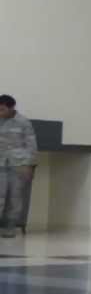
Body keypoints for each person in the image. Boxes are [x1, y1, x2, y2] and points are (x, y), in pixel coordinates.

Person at [0, 95, 37, 239]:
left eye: (2, 109)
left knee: (15, 198)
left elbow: (31, 146)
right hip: (1, 164)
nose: (0, 112)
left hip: (18, 165)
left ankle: (10, 227)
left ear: (11, 108)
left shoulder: (23, 122)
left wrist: (29, 165)